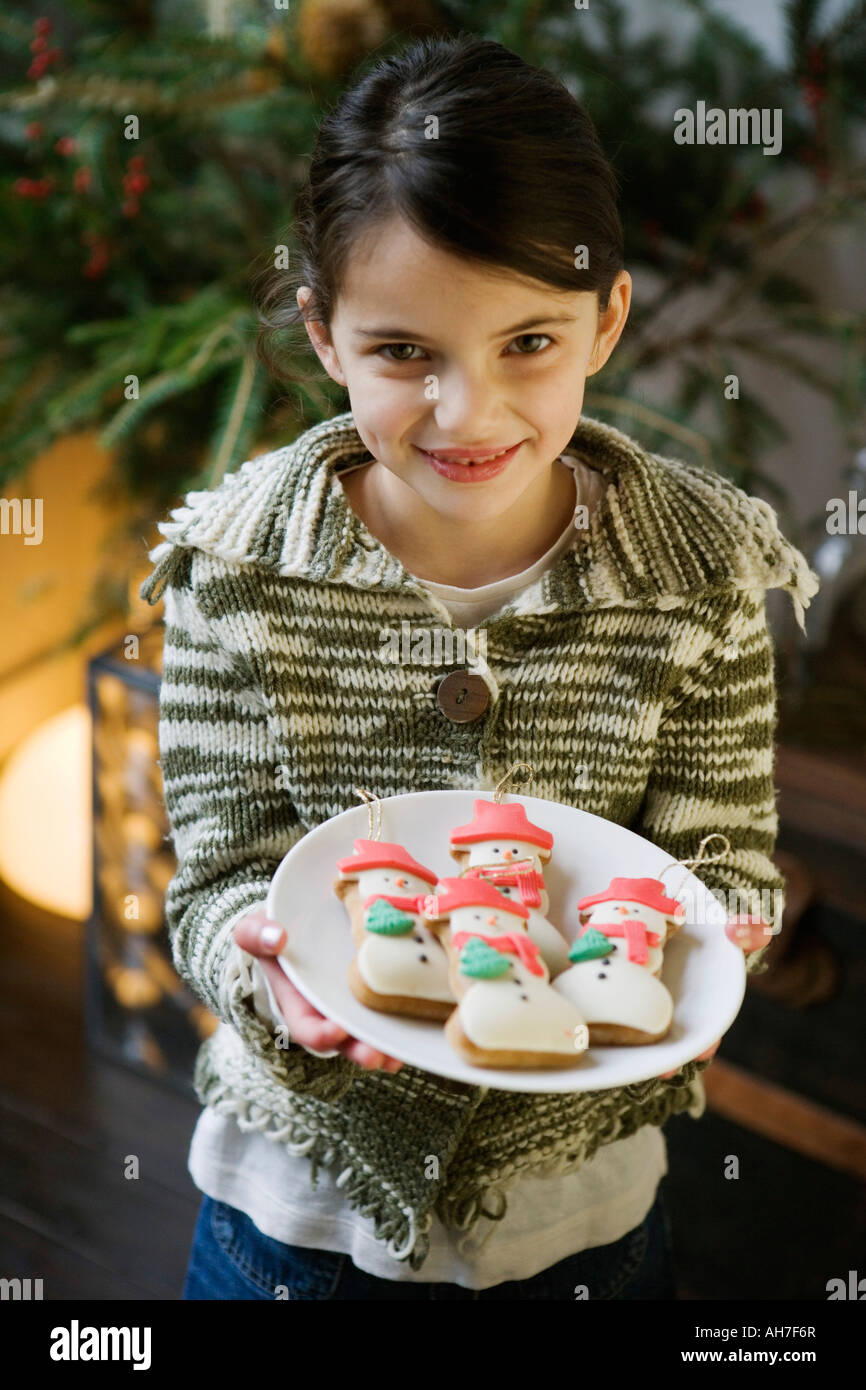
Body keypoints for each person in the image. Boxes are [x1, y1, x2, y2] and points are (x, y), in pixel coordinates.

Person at [139, 33, 819, 1300]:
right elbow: (218, 884)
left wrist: (725, 933)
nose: (469, 414)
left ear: (605, 319)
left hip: (581, 1222)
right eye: (404, 351)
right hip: (293, 1218)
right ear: (325, 336)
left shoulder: (700, 573)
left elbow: (723, 861)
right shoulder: (234, 570)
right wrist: (272, 981)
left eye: (527, 344)